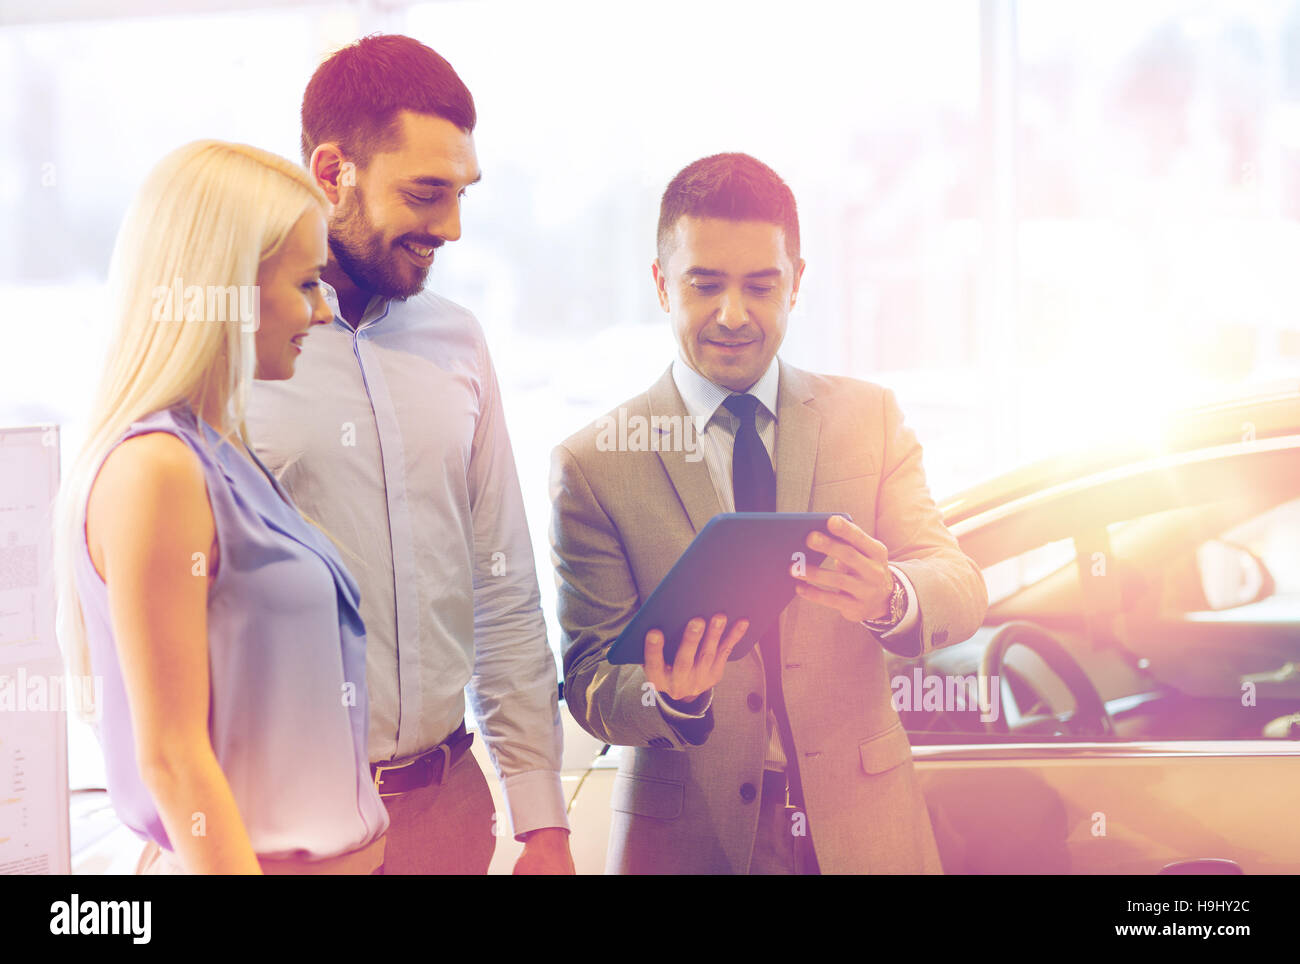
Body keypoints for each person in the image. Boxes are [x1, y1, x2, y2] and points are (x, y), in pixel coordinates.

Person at [550, 152, 989, 874]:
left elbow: (960, 584)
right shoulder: (593, 464)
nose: (733, 315)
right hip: (691, 842)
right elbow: (591, 684)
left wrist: (890, 594)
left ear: (798, 283)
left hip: (862, 830)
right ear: (662, 285)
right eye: (704, 286)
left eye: (761, 285)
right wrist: (670, 696)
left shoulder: (868, 418)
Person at [244, 34, 573, 874]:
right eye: (427, 195)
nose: (451, 228)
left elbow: (501, 588)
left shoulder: (458, 342)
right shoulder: (230, 347)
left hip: (450, 813)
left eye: (462, 194)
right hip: (285, 831)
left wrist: (543, 821)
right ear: (331, 172)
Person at [53, 140, 389, 874]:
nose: (325, 313)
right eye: (307, 284)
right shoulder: (156, 471)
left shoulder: (220, 451)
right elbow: (174, 761)